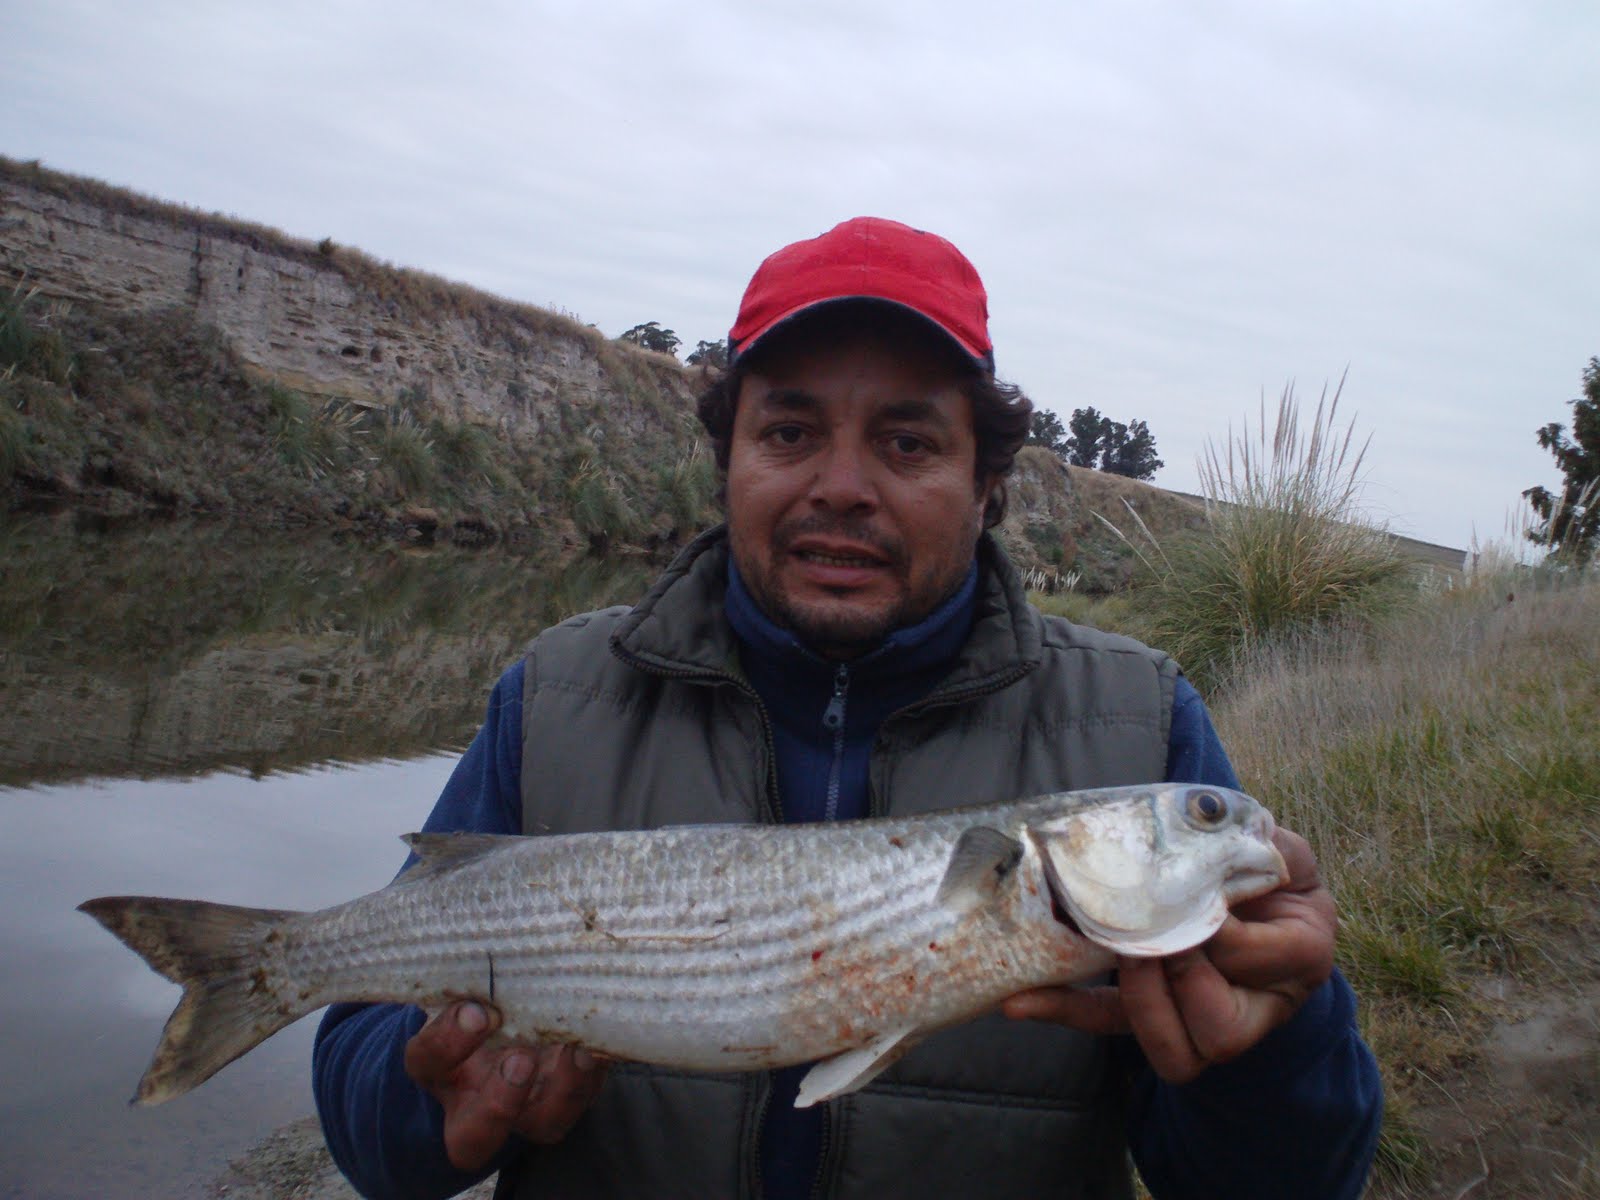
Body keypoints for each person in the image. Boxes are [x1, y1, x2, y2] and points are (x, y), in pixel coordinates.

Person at [314, 217, 1382, 1200]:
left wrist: (1276, 1048)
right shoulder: (552, 698)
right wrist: (435, 1111)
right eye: (788, 433)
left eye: (907, 444)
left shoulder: (1140, 721)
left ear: (986, 481)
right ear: (727, 459)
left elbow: (1290, 1183)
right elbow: (365, 1101)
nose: (841, 485)